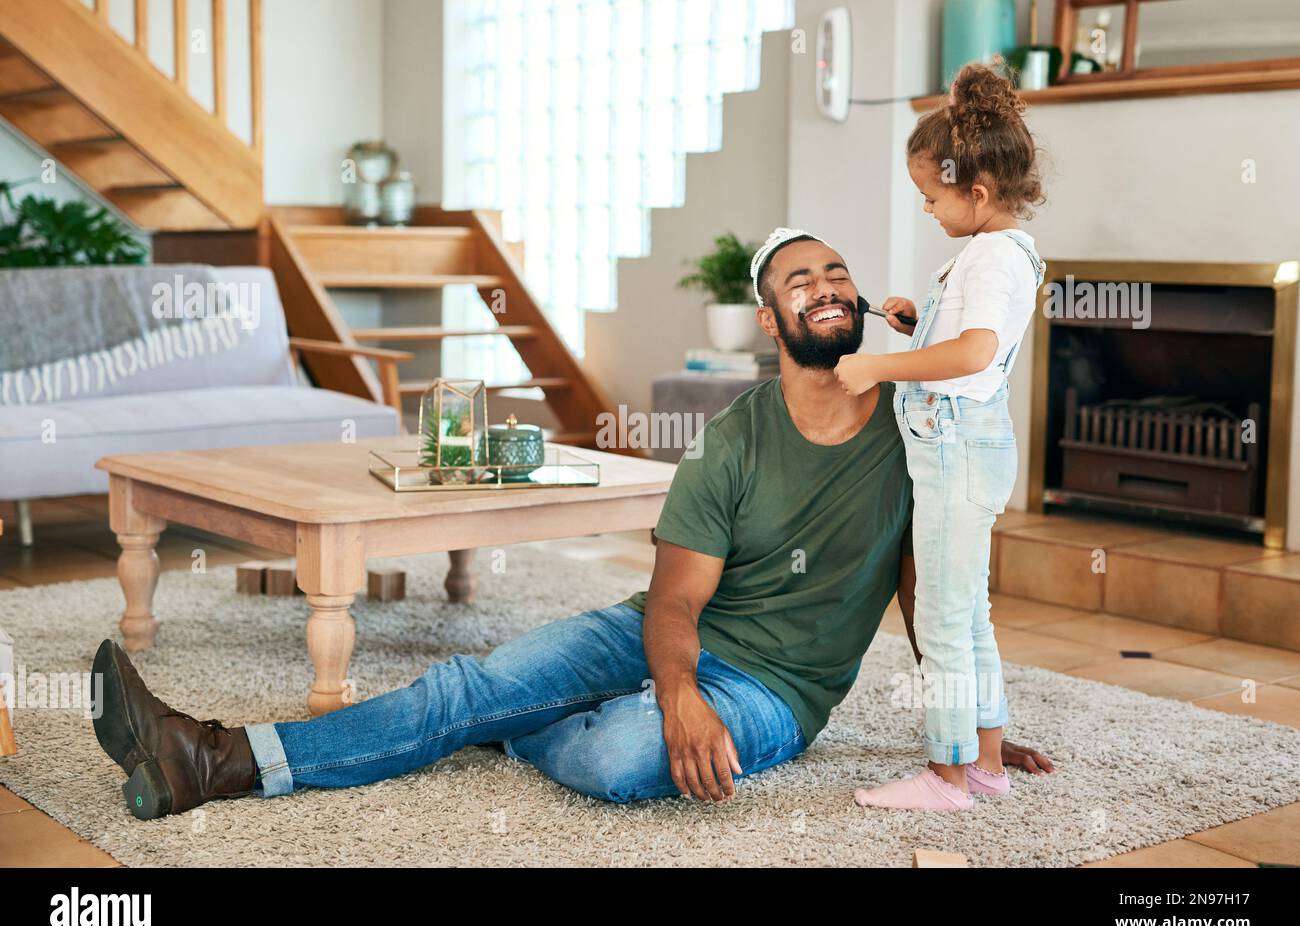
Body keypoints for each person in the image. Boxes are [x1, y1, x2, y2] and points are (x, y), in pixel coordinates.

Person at [91, 227, 1053, 821]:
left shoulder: (915, 428)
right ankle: (215, 757)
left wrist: (972, 725)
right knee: (466, 685)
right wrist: (679, 689)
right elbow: (673, 602)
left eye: (837, 271)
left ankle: (510, 721)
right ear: (771, 321)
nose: (828, 287)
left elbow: (932, 586)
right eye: (800, 280)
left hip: (779, 692)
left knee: (617, 756)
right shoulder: (732, 440)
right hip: (664, 636)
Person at [835, 64, 1047, 811]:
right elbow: (962, 339)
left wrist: (876, 367)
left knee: (943, 618)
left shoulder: (990, 256)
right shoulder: (1002, 250)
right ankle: (985, 762)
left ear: (976, 192)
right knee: (966, 610)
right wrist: (914, 323)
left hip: (957, 450)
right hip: (967, 445)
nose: (925, 208)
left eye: (931, 195)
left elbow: (974, 353)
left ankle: (947, 777)